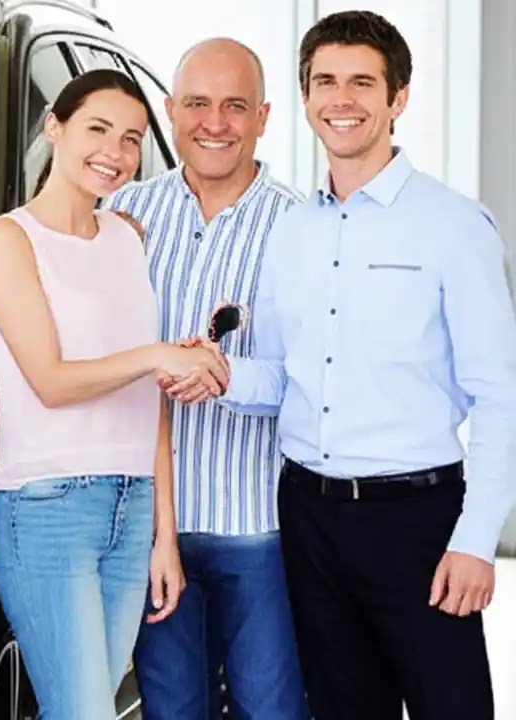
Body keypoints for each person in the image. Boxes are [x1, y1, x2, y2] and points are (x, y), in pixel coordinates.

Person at [169, 10, 516, 719]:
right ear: (304, 100)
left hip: (415, 520)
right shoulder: (292, 230)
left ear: (399, 98)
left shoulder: (454, 225)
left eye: (363, 82)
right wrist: (222, 374)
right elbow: (279, 375)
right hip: (308, 519)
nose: (342, 99)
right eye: (325, 81)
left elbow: (501, 395)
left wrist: (477, 541)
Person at [0, 68, 227, 717]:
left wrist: (163, 535)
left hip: (131, 505)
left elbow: (152, 401)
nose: (115, 152)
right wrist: (155, 354)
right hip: (48, 508)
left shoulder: (127, 237)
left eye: (132, 139)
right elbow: (51, 382)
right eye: (98, 129)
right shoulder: (8, 240)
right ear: (53, 127)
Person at [100, 38, 310, 719]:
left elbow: (315, 380)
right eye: (197, 104)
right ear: (170, 111)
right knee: (170, 710)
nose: (214, 123)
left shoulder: (300, 226)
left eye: (234, 106)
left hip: (259, 530)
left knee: (271, 710)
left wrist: (225, 377)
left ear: (264, 117)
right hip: (149, 526)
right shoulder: (122, 218)